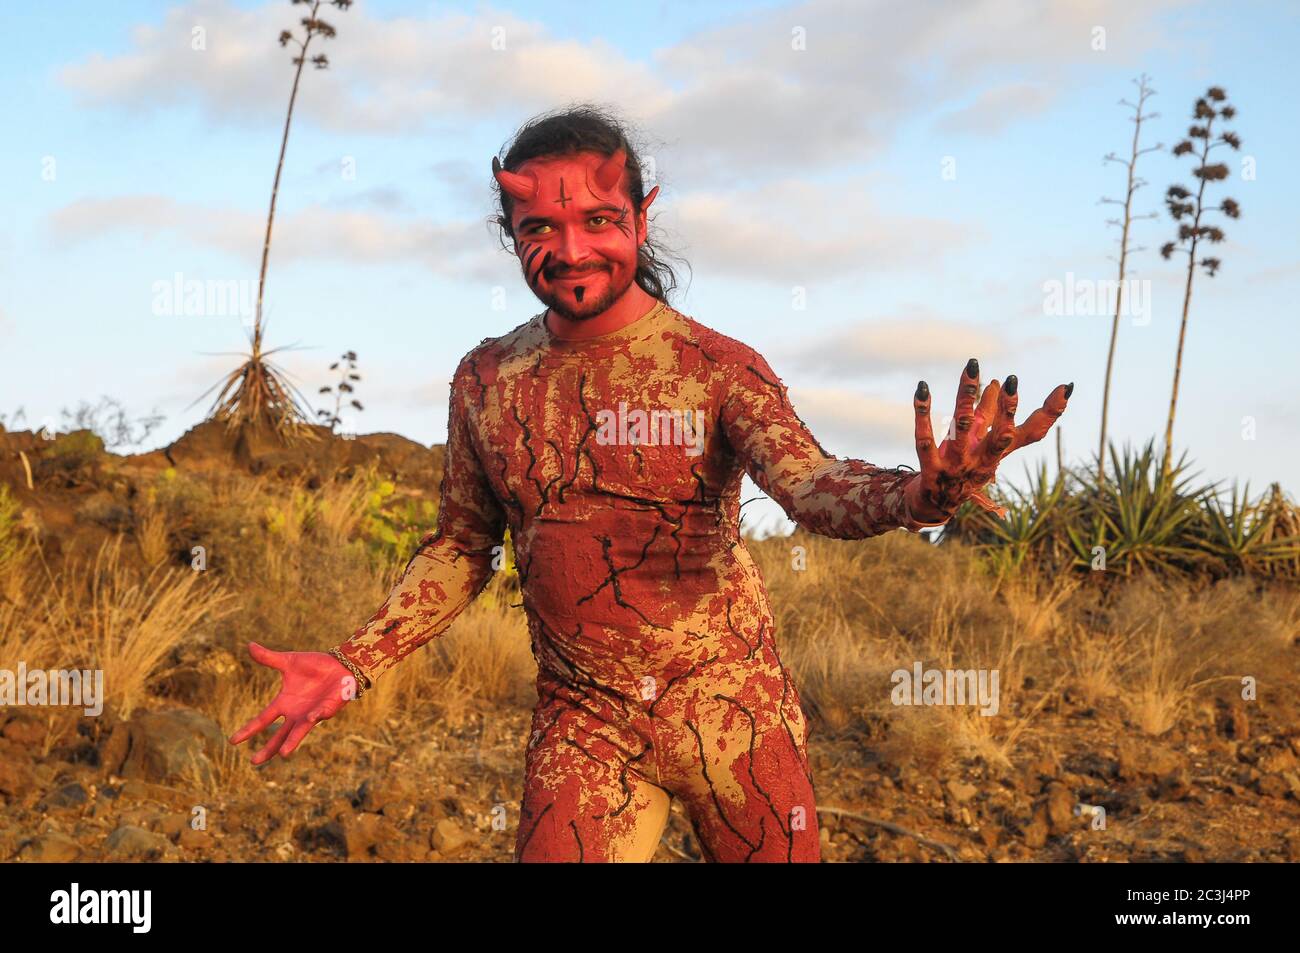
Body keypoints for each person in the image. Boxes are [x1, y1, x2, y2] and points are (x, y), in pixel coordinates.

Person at [229, 105, 1072, 862]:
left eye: (599, 219)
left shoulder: (715, 367)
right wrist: (354, 662)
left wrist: (919, 496)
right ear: (509, 230)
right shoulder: (487, 379)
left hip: (732, 713)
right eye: (537, 228)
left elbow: (809, 482)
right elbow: (461, 547)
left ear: (642, 214)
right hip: (583, 725)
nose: (569, 250)